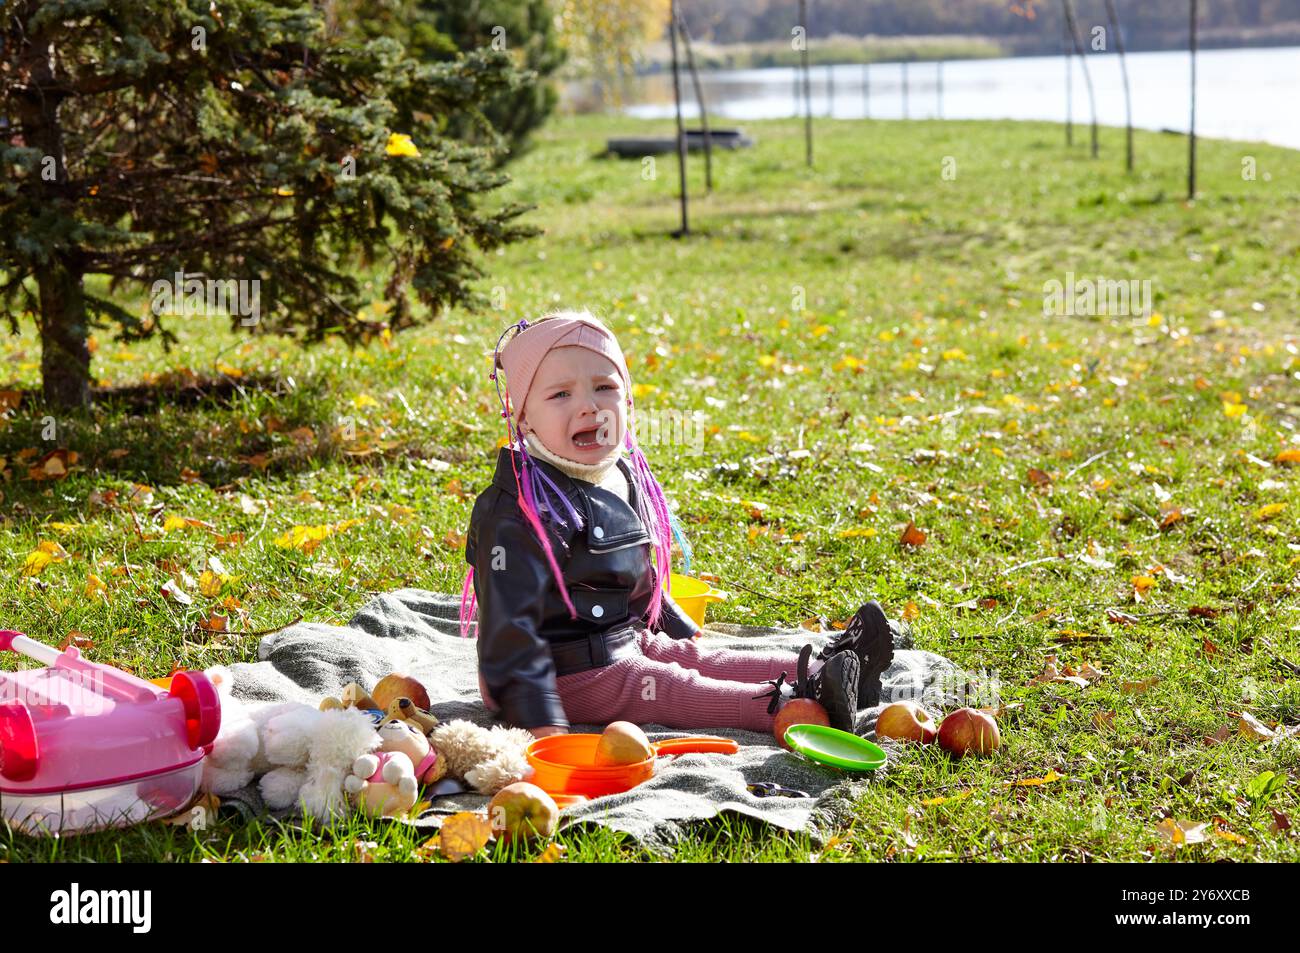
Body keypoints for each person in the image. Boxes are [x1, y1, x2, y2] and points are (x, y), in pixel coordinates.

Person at [459, 310, 893, 741]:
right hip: (551, 673)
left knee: (696, 659)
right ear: (522, 418)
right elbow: (508, 631)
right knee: (663, 686)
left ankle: (831, 668)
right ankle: (793, 705)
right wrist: (540, 720)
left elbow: (636, 577)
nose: (589, 406)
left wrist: (678, 628)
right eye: (560, 395)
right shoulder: (519, 509)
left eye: (605, 387)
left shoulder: (620, 475)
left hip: (618, 640)